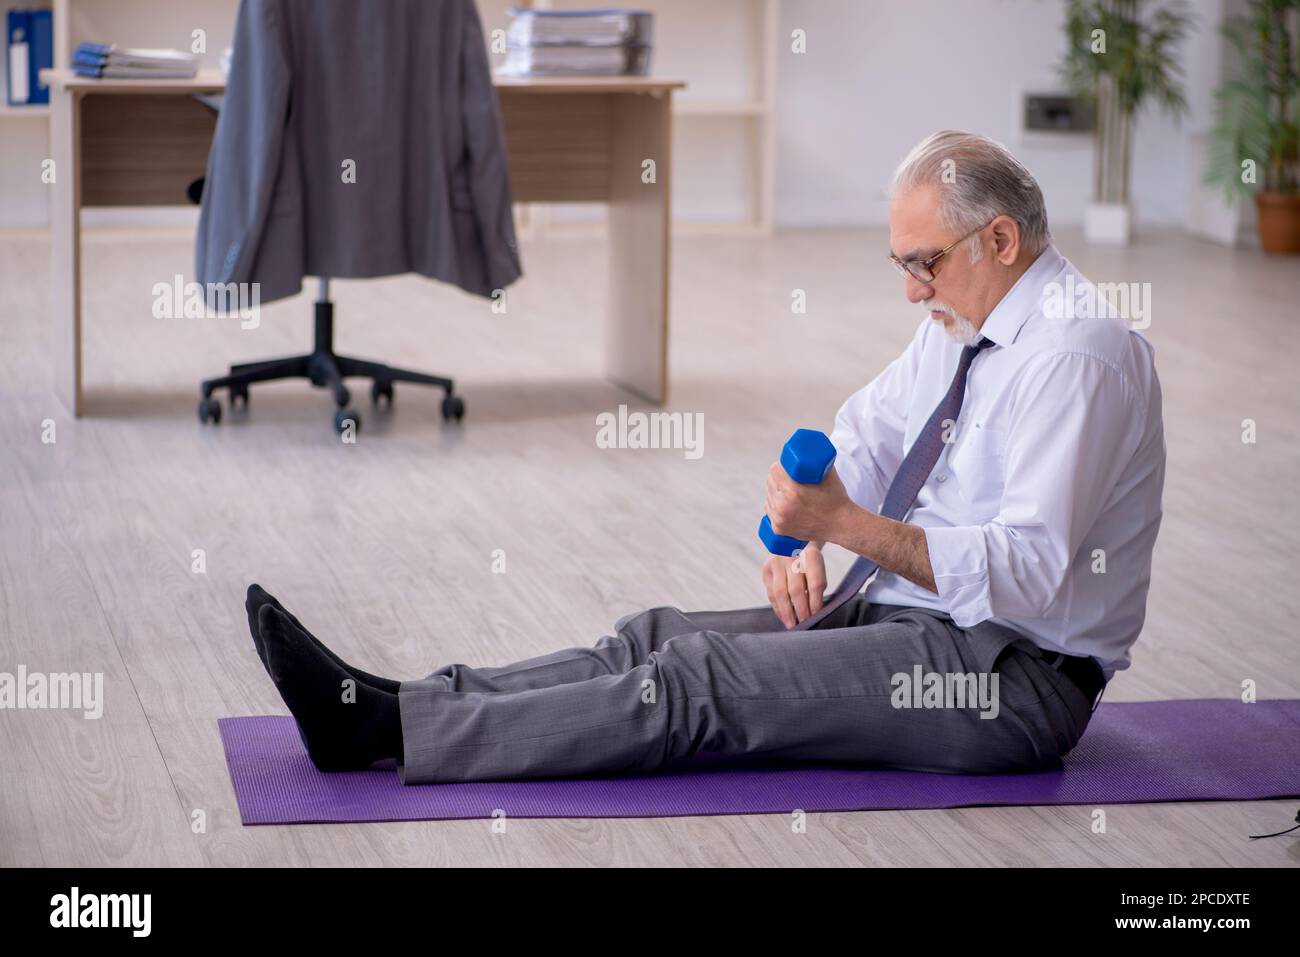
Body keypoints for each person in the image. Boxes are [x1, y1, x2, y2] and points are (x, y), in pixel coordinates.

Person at [247, 130, 1165, 785]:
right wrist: (798, 534)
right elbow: (868, 431)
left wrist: (844, 524)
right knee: (657, 636)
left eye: (922, 262)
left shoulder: (1080, 354)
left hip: (1008, 680)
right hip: (914, 615)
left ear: (999, 240)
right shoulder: (962, 321)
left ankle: (400, 735)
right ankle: (387, 702)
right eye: (902, 264)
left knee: (701, 685)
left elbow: (1031, 572)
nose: (909, 289)